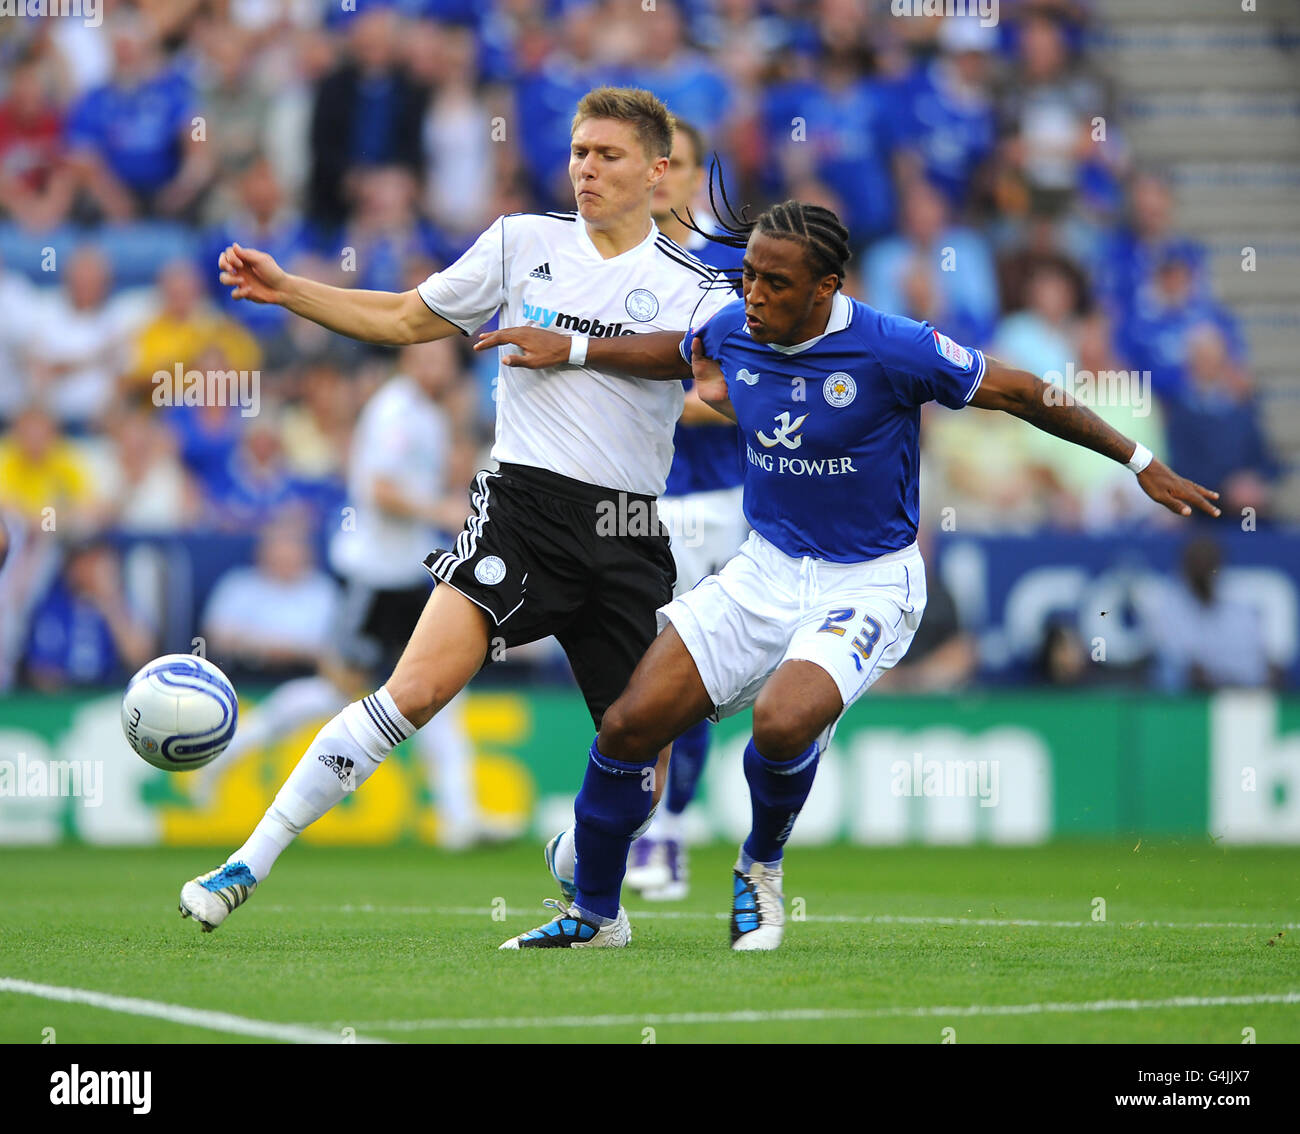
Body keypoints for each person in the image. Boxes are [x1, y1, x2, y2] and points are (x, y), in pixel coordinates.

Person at [477, 193, 1219, 951]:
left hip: (867, 579)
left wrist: (1140, 461)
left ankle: (760, 867)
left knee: (781, 720)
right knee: (631, 723)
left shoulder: (895, 348)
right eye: (750, 276)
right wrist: (570, 349)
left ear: (826, 287)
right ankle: (596, 917)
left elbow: (1024, 392)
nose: (754, 294)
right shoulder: (738, 325)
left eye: (775, 283)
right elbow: (672, 349)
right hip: (763, 568)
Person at [177, 87, 738, 937]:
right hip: (520, 509)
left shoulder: (694, 289)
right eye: (581, 151)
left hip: (627, 531)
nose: (587, 167)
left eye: (609, 155)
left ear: (659, 171)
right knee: (411, 692)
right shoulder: (522, 243)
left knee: (642, 762)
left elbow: (725, 394)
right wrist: (291, 290)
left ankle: (594, 897)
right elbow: (408, 317)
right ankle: (246, 862)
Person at [623, 118, 746, 900]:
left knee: (694, 672)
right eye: (651, 161)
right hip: (631, 500)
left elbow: (738, 398)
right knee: (634, 670)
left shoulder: (730, 272)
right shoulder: (610, 263)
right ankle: (641, 819)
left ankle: (666, 825)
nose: (661, 176)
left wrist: (639, 395)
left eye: (677, 164)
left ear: (696, 177)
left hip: (717, 503)